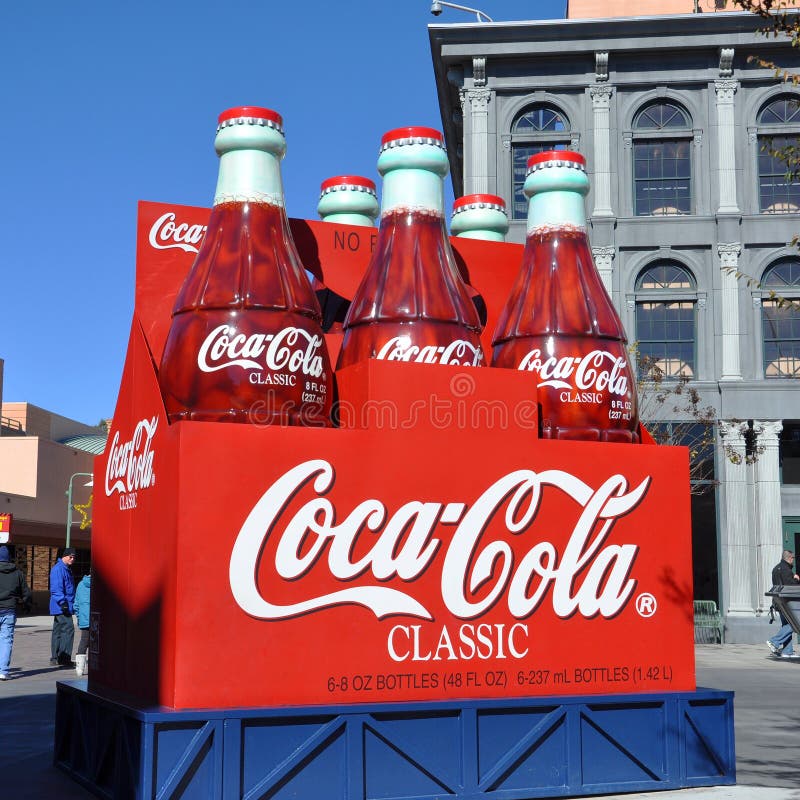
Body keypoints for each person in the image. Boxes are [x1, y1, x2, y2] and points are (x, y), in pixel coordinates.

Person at [0, 545, 32, 681]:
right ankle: (3, 671)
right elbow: (26, 593)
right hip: (9, 610)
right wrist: (26, 604)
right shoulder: (17, 573)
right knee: (6, 640)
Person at [767, 549, 800, 658]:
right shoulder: (787, 570)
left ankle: (787, 651)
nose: (793, 560)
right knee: (794, 624)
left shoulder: (775, 569)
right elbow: (790, 587)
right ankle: (774, 641)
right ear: (789, 558)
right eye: (793, 558)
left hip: (779, 602)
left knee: (786, 624)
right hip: (789, 603)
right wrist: (796, 579)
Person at [49, 547, 76, 667]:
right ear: (64, 556)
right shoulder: (59, 569)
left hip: (62, 605)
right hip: (61, 605)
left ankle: (55, 658)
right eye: (70, 556)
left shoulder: (65, 569)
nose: (72, 559)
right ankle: (64, 658)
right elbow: (56, 588)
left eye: (74, 557)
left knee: (58, 631)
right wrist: (62, 602)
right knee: (68, 629)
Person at [73, 572, 91, 677]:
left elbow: (76, 604)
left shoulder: (80, 584)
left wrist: (80, 617)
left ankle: (79, 668)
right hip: (97, 618)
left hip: (84, 618)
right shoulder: (101, 585)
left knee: (84, 641)